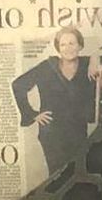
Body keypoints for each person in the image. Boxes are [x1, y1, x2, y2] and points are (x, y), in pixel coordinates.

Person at [11, 26, 96, 174]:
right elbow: (18, 85)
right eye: (63, 44)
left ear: (80, 45)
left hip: (78, 130)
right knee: (57, 175)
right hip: (52, 132)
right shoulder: (47, 67)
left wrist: (95, 59)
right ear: (58, 48)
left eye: (72, 43)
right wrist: (32, 114)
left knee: (77, 174)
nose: (68, 48)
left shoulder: (86, 64)